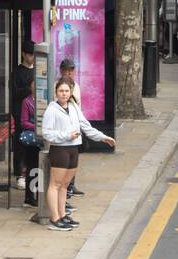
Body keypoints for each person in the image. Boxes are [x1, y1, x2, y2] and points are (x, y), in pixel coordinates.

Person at [39, 79, 113, 231]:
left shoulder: (73, 107)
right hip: (60, 150)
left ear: (70, 92)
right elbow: (46, 133)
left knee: (65, 185)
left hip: (74, 149)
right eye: (61, 91)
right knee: (55, 184)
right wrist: (67, 135)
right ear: (56, 92)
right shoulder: (51, 109)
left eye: (66, 91)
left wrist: (102, 137)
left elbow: (85, 125)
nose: (64, 94)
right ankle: (54, 219)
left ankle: (62, 215)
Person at [58, 58, 86, 206]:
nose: (69, 73)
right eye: (66, 70)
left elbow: (78, 107)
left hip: (75, 127)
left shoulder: (76, 87)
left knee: (74, 158)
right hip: (63, 129)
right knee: (65, 160)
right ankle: (66, 190)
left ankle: (71, 185)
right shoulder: (58, 87)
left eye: (71, 71)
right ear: (61, 71)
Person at [11, 46, 36, 189]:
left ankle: (29, 172)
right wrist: (29, 88)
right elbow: (14, 92)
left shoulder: (36, 69)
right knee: (20, 143)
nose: (32, 57)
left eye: (33, 54)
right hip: (20, 111)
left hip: (34, 111)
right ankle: (19, 173)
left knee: (33, 145)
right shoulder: (17, 71)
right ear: (24, 54)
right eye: (30, 54)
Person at [18, 91, 41, 208]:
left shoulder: (49, 100)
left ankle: (40, 196)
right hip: (32, 141)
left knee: (41, 169)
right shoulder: (27, 102)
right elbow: (23, 122)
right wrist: (38, 127)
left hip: (43, 139)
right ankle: (30, 197)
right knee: (33, 169)